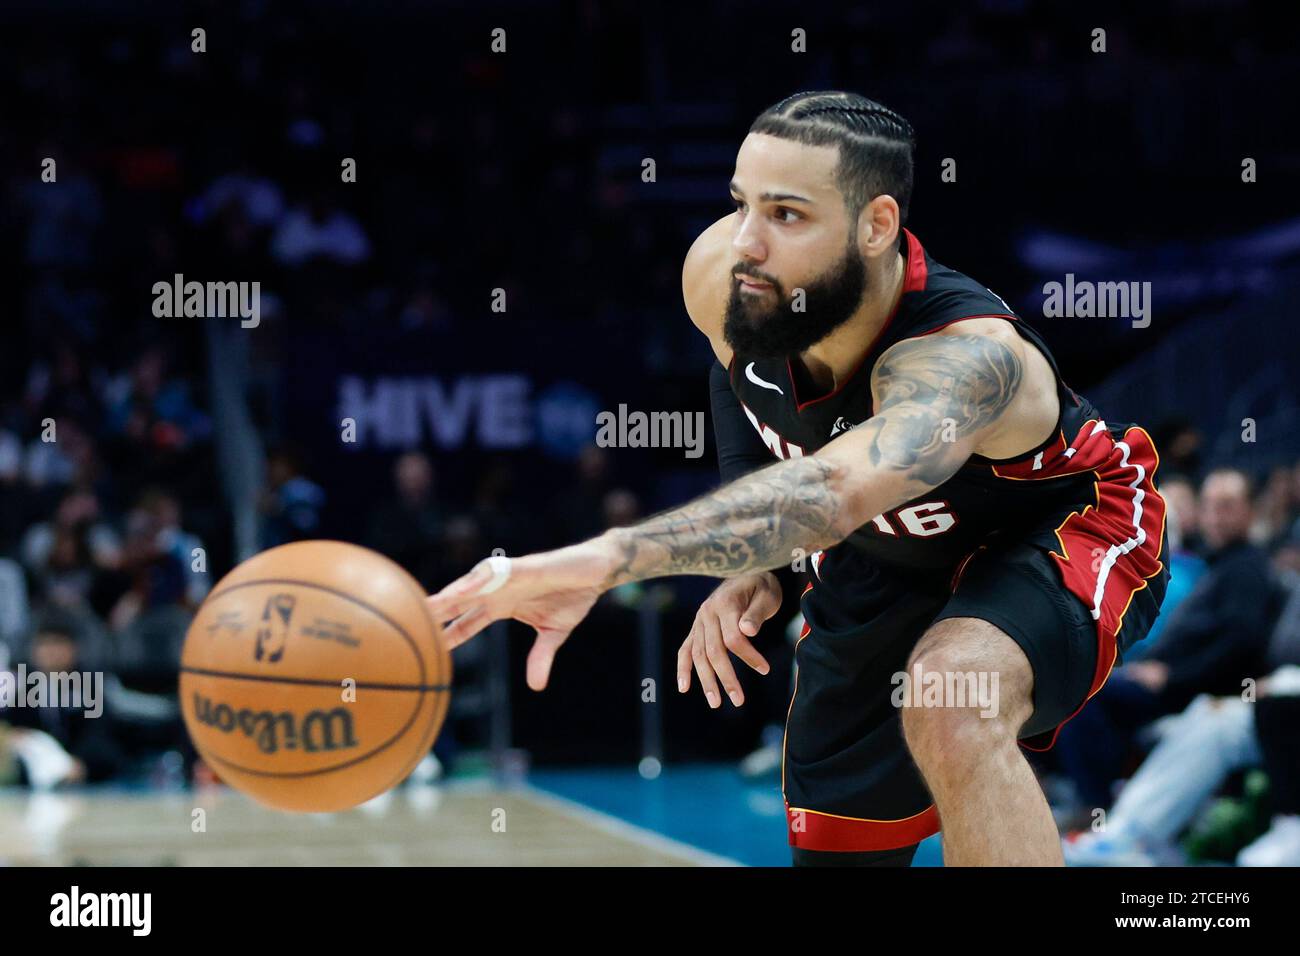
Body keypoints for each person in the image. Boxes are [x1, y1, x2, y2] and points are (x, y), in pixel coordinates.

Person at [427, 91, 1169, 867]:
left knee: (952, 694)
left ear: (877, 225)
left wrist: (598, 561)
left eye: (786, 214)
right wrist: (759, 558)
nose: (747, 240)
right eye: (741, 203)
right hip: (883, 548)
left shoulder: (966, 360)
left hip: (1055, 524)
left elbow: (828, 496)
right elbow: (738, 370)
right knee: (837, 841)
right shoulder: (727, 273)